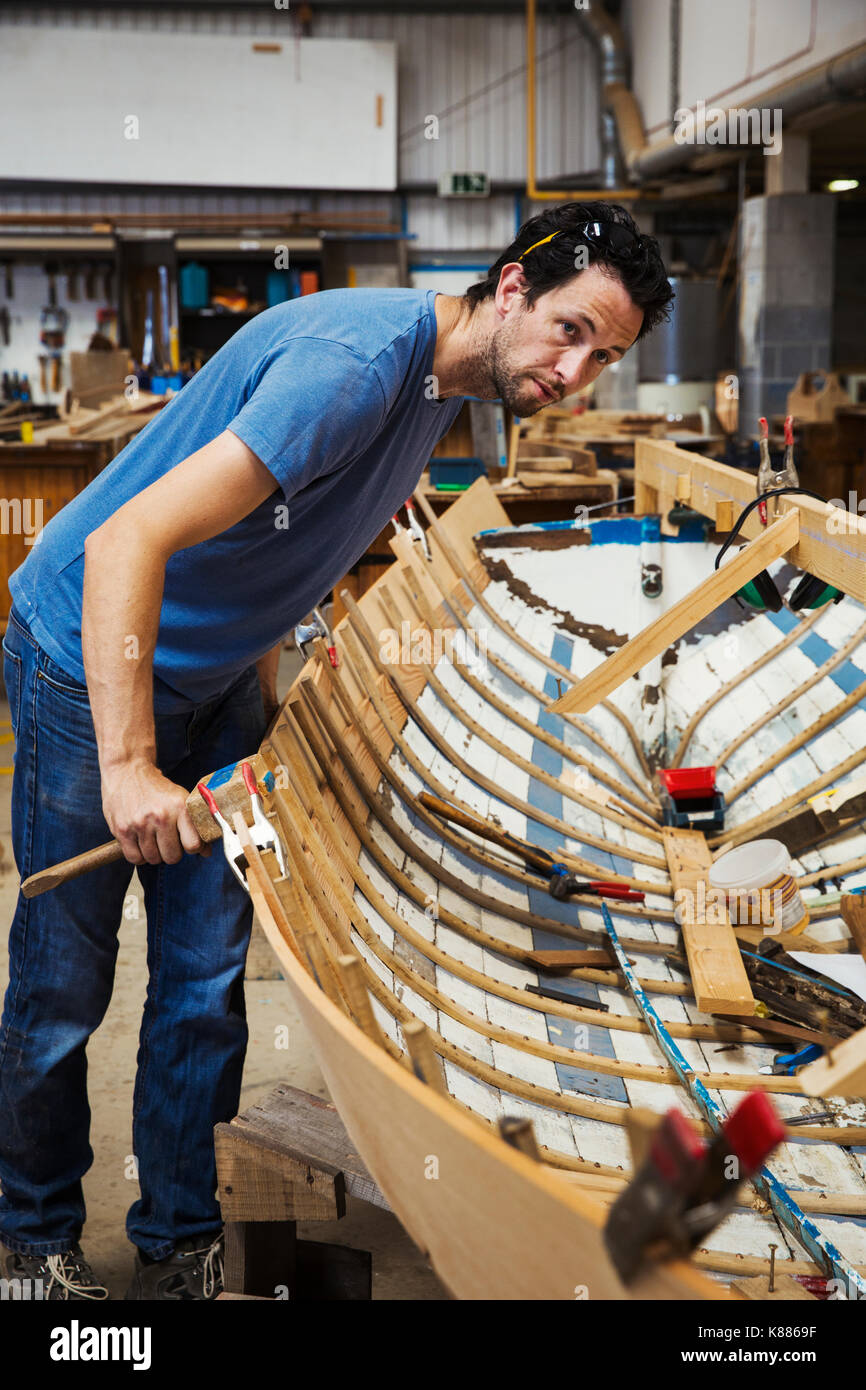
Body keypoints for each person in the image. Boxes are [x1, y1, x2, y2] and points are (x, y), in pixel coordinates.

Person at [0, 201, 672, 1300]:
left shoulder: (440, 389)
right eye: (569, 330)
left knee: (206, 978)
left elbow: (276, 547)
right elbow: (129, 538)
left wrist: (245, 702)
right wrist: (128, 766)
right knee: (67, 975)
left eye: (604, 354)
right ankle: (32, 1240)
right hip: (90, 647)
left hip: (211, 675)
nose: (577, 371)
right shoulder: (355, 368)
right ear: (510, 288)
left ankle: (175, 1240)